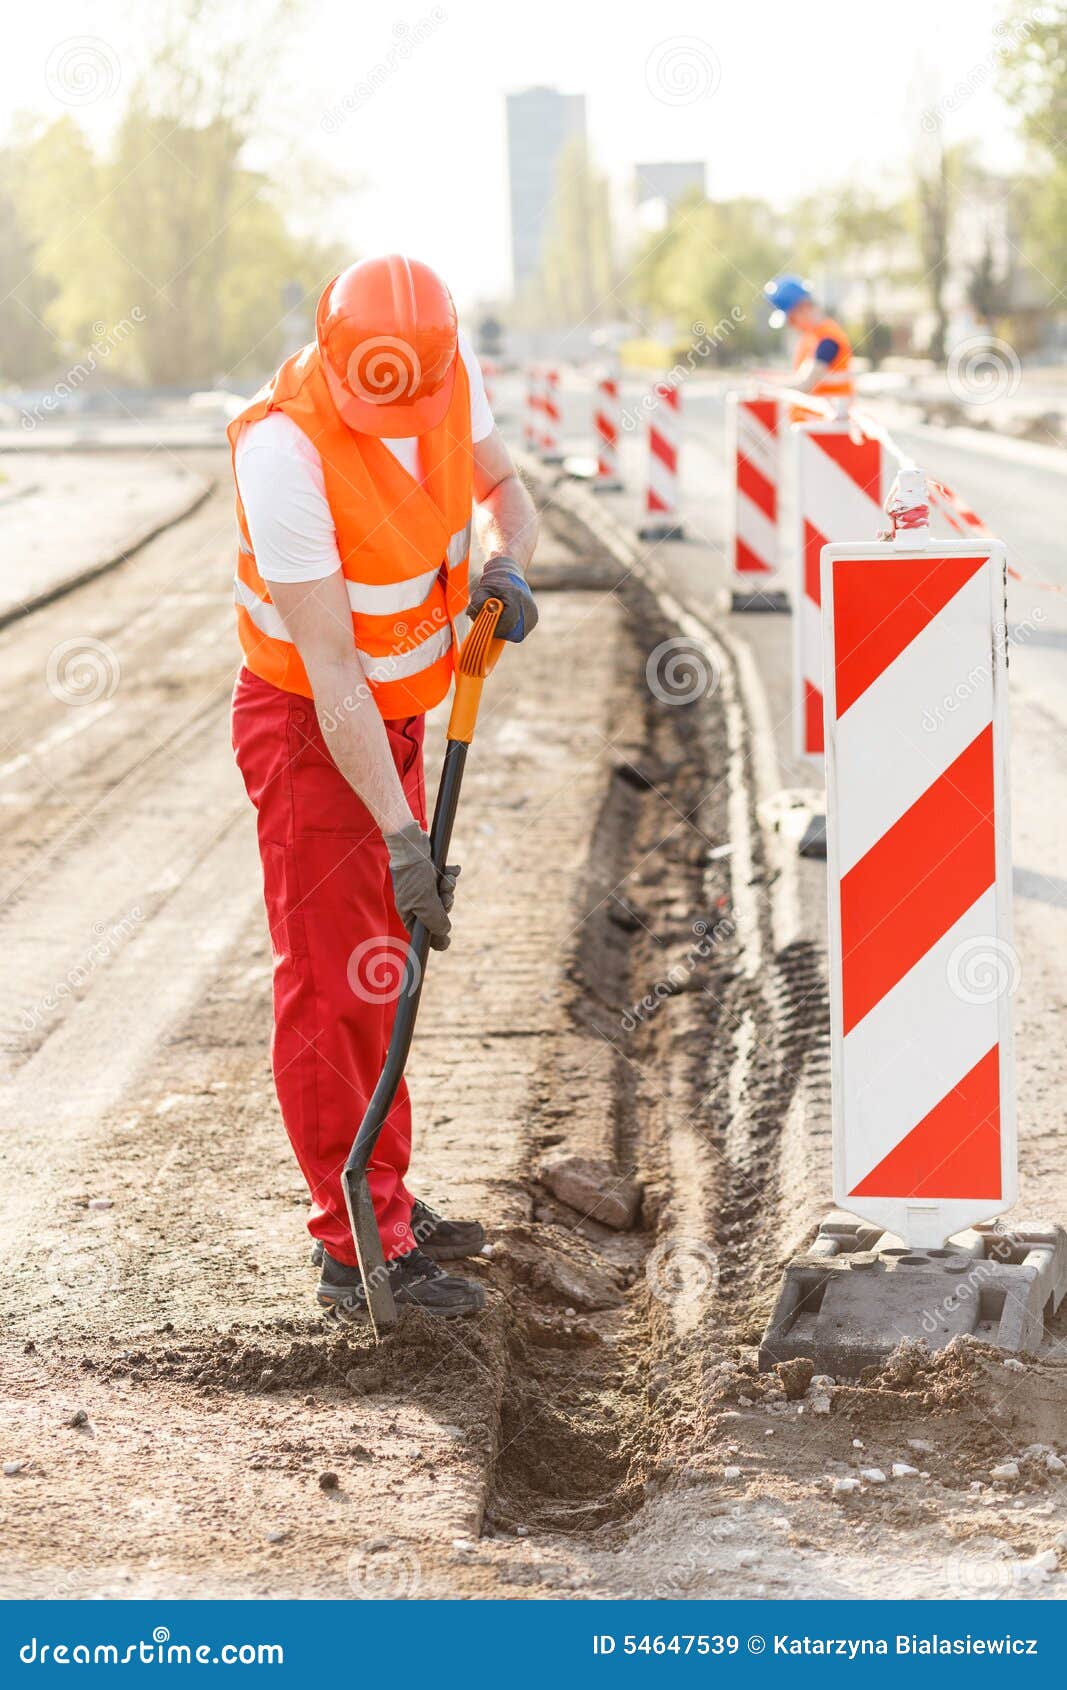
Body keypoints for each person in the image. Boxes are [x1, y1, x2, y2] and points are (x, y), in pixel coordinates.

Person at [228, 255, 539, 1321]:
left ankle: (384, 1200)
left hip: (399, 718)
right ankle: (351, 1250)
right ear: (334, 357)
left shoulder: (448, 379)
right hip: (317, 734)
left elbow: (508, 497)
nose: (400, 415)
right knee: (333, 986)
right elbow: (331, 674)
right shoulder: (284, 449)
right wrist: (406, 836)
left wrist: (508, 567)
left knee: (383, 968)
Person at [763, 273, 854, 406]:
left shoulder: (828, 340)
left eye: (791, 319)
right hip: (814, 422)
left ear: (803, 307)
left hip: (826, 422)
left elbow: (805, 384)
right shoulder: (811, 337)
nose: (790, 325)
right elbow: (799, 376)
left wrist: (769, 387)